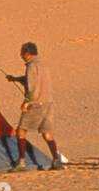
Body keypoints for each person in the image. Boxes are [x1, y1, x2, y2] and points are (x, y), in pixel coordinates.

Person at [5, 42, 63, 171]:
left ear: (27, 53)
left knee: (21, 130)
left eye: (22, 53)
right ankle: (56, 160)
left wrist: (26, 101)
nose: (20, 55)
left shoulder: (31, 66)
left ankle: (22, 162)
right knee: (47, 133)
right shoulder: (43, 65)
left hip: (36, 104)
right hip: (48, 103)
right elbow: (32, 80)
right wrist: (15, 79)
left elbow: (33, 89)